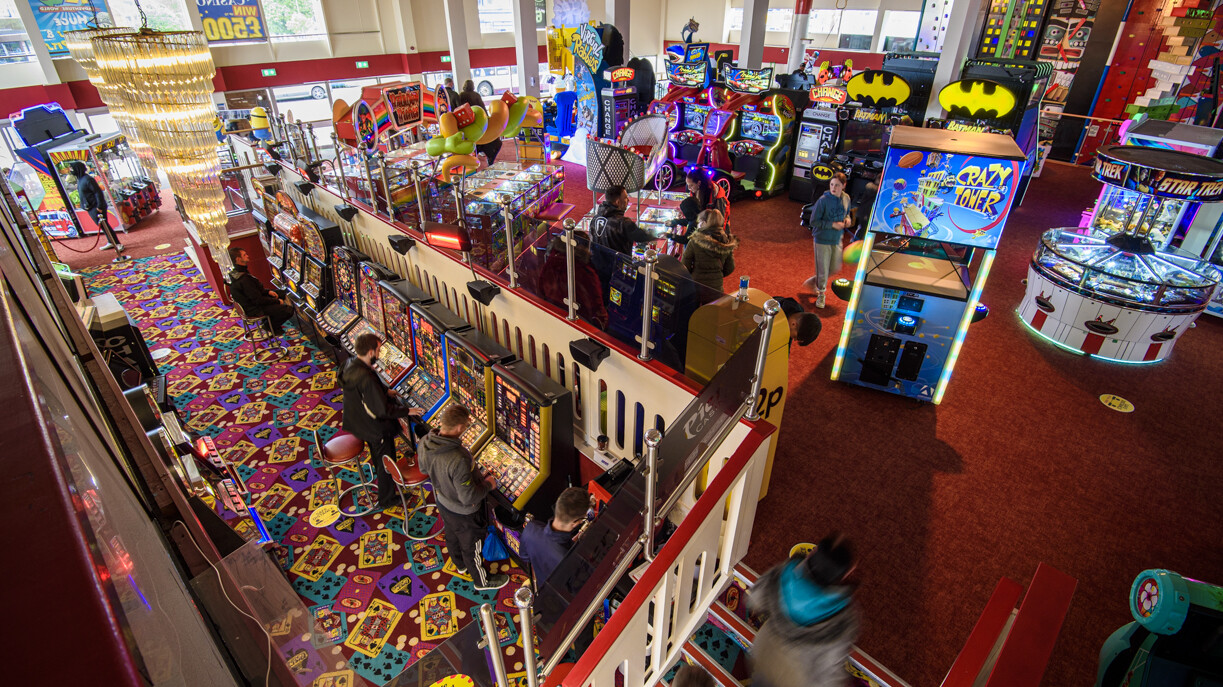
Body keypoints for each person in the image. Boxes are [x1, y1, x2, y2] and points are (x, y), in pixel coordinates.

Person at [417, 404, 509, 590]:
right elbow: (468, 497)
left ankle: (459, 565)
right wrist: (488, 485)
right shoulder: (458, 457)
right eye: (466, 425)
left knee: (452, 535)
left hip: (443, 500)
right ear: (459, 427)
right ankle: (482, 581)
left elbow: (424, 469)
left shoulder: (427, 440)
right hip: (464, 511)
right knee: (472, 547)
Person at [749, 534, 859, 687]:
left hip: (764, 654)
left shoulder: (784, 573)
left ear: (812, 553)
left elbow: (755, 597)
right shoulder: (843, 621)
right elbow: (830, 672)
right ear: (847, 573)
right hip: (795, 679)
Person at [340, 333, 423, 511]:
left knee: (378, 456)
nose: (379, 352)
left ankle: (387, 487)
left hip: (359, 422)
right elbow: (382, 410)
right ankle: (387, 498)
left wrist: (384, 391)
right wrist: (408, 410)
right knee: (386, 460)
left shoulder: (351, 363)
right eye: (378, 349)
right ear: (370, 352)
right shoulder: (366, 377)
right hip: (374, 427)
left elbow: (366, 389)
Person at [520, 487, 590, 585]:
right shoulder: (570, 559)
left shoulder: (530, 528)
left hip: (541, 585)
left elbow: (524, 557)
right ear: (575, 522)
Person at [537, 233, 608, 329]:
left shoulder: (551, 262)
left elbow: (541, 288)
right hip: (581, 323)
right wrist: (604, 322)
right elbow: (596, 306)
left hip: (553, 316)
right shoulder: (585, 272)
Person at [803, 171, 851, 309]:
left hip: (837, 238)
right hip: (822, 239)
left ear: (844, 186)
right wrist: (832, 225)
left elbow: (847, 213)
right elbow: (813, 221)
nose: (833, 188)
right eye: (832, 184)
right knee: (823, 269)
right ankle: (821, 294)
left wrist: (847, 219)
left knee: (835, 268)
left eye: (837, 185)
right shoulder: (823, 200)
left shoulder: (846, 198)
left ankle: (813, 281)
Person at [589, 185, 654, 287]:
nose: (628, 200)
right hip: (617, 271)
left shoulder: (595, 218)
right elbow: (642, 237)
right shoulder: (623, 223)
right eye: (626, 198)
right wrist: (659, 234)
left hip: (598, 268)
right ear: (618, 202)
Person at [227, 247, 295, 334]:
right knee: (288, 310)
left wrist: (267, 292)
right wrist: (277, 301)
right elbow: (258, 300)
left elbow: (254, 290)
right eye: (244, 255)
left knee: (281, 293)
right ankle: (269, 326)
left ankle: (269, 320)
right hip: (253, 308)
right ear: (238, 259)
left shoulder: (235, 272)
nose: (247, 256)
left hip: (250, 302)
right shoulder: (244, 279)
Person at [681, 208, 738, 295]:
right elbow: (730, 267)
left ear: (704, 223)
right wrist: (717, 275)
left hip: (697, 285)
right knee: (715, 304)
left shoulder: (695, 241)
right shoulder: (726, 241)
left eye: (699, 222)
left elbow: (685, 266)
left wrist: (693, 275)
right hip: (716, 287)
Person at [69, 161, 122, 251]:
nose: (70, 170)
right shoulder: (80, 179)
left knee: (105, 225)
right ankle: (111, 241)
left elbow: (98, 193)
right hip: (90, 207)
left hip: (96, 207)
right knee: (102, 226)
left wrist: (99, 206)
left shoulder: (88, 179)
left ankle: (117, 243)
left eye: (72, 168)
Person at [671, 169, 730, 239]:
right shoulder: (695, 189)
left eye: (691, 185)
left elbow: (720, 222)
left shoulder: (717, 197)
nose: (689, 188)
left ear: (699, 183)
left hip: (713, 232)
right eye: (687, 185)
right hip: (703, 226)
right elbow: (695, 211)